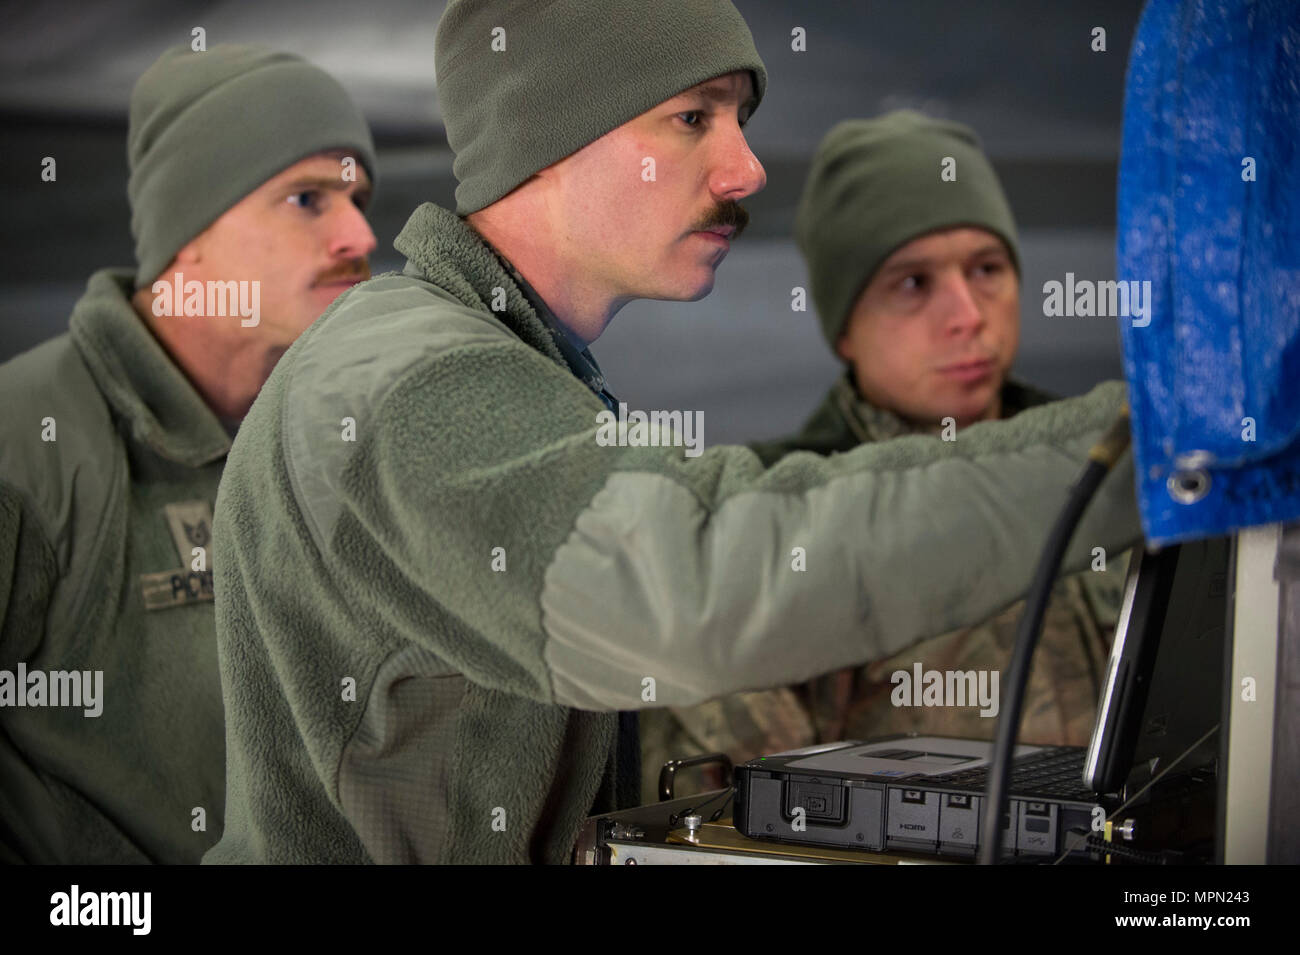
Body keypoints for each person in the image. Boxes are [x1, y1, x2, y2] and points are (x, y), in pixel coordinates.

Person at [206, 0, 1139, 865]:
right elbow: (686, 587)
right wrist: (1154, 446)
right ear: (549, 136)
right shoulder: (408, 375)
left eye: (740, 119)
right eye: (694, 117)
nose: (748, 169)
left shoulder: (515, 366)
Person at [644, 113, 1129, 799]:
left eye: (987, 268)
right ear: (844, 326)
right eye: (912, 283)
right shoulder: (772, 523)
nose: (967, 313)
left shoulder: (1112, 469)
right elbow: (741, 821)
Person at [0, 43, 377, 863]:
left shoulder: (333, 443)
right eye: (308, 197)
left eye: (358, 195)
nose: (360, 233)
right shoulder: (25, 444)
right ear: (189, 234)